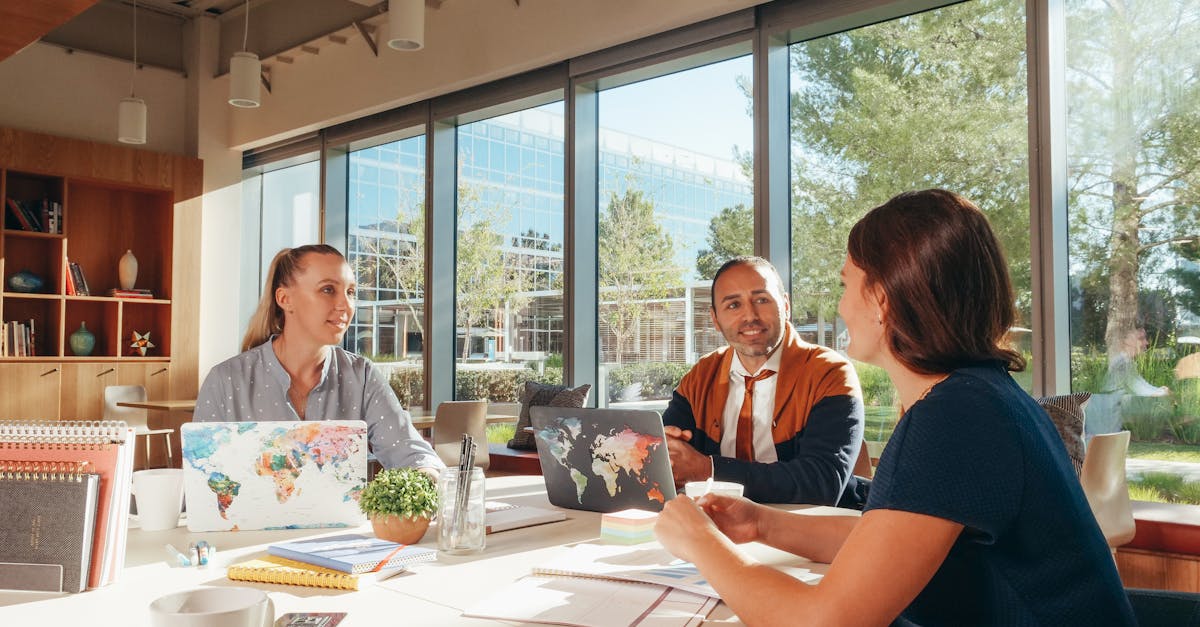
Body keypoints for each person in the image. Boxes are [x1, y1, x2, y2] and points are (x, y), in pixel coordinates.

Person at [655, 190, 1134, 625]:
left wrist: (701, 543)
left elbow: (823, 622)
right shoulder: (981, 397)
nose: (842, 307)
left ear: (881, 299)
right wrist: (759, 522)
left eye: (846, 286)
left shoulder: (952, 421)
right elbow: (885, 544)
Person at [195, 244, 443, 474]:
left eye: (351, 292)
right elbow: (201, 479)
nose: (345, 305)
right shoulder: (225, 381)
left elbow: (413, 456)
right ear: (285, 299)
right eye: (328, 290)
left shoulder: (362, 377)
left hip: (347, 524)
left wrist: (426, 478)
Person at [661, 256, 865, 505]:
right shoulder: (700, 377)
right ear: (715, 319)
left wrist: (708, 470)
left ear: (786, 305)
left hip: (811, 532)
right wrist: (662, 453)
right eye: (733, 305)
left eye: (761, 300)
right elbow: (665, 460)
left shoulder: (829, 373)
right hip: (718, 527)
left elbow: (822, 483)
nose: (750, 316)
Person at [1089, 327, 1170, 437]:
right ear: (1126, 341)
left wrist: (1159, 390)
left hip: (1111, 415)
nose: (1146, 342)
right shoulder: (1121, 363)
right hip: (1105, 417)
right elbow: (1136, 387)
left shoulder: (1127, 361)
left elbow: (1139, 383)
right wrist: (1160, 392)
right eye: (1141, 338)